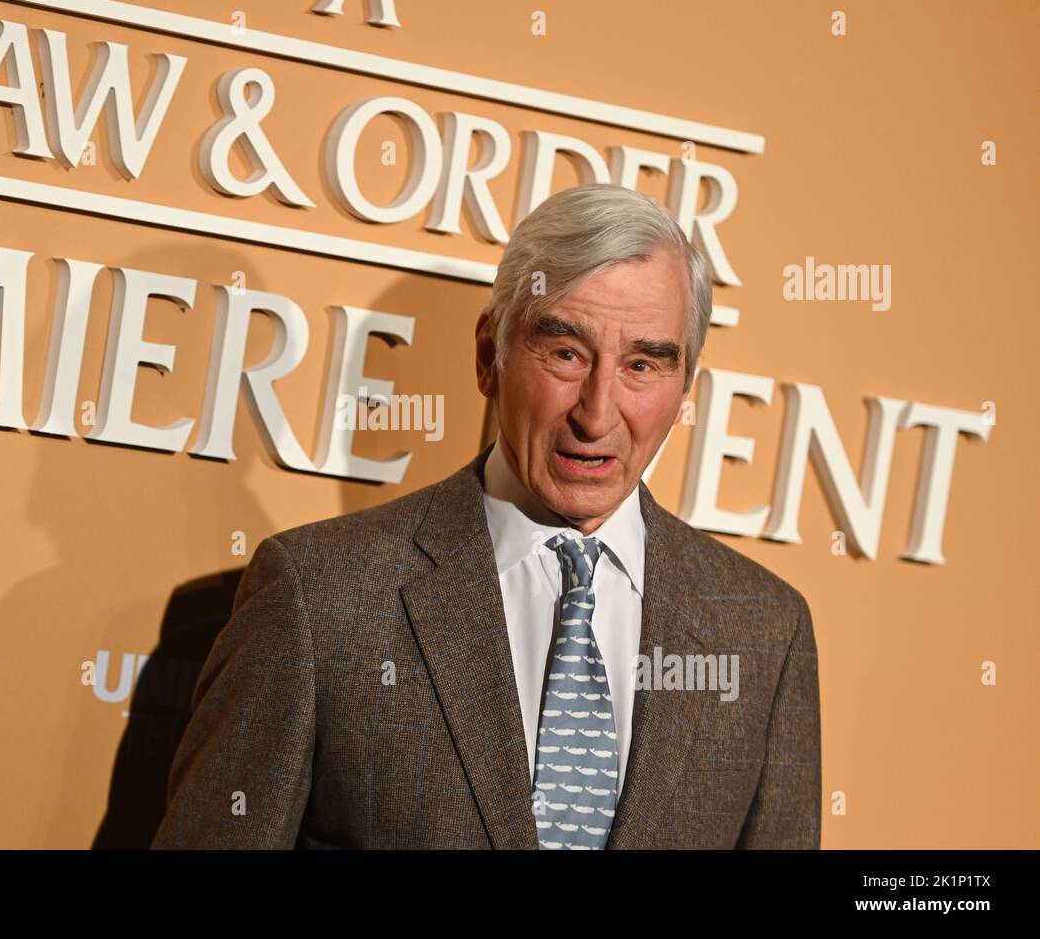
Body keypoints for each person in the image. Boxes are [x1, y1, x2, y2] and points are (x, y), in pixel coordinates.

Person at [150, 183, 821, 849]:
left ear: (683, 391)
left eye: (643, 364)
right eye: (565, 354)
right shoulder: (319, 597)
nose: (596, 413)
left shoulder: (763, 633)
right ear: (487, 357)